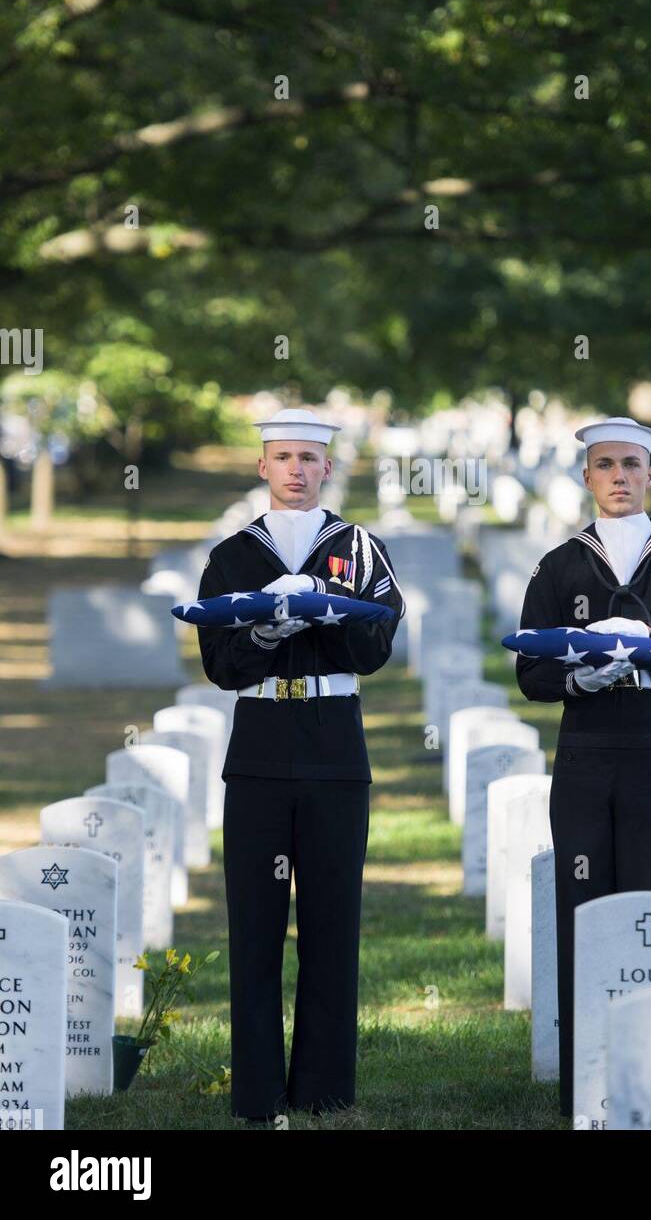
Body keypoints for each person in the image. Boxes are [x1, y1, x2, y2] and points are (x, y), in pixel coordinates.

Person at [195, 407, 405, 1122]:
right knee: (254, 924)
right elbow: (220, 665)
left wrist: (325, 615)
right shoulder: (233, 554)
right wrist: (260, 632)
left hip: (333, 740)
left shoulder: (360, 548)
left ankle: (323, 1088)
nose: (294, 469)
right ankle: (256, 1092)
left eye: (308, 458)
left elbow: (376, 649)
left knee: (330, 921)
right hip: (258, 742)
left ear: (326, 467)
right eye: (282, 457)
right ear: (262, 466)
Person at [514, 416, 651, 1122]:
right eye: (603, 464)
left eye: (630, 464)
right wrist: (585, 678)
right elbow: (530, 669)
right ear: (586, 477)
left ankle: (650, 1073)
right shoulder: (558, 565)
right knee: (582, 917)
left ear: (649, 474)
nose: (617, 476)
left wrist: (642, 660)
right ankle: (587, 1077)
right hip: (582, 756)